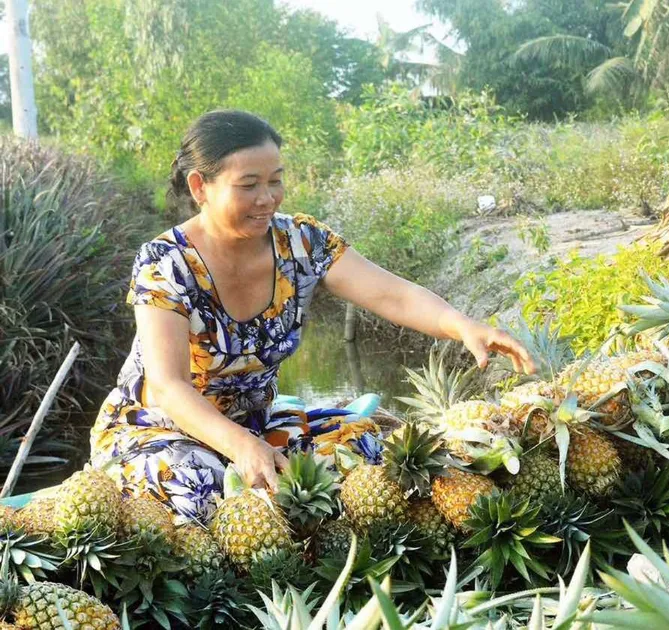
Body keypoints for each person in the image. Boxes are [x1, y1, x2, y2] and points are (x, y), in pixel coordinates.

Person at [89, 110, 535, 523]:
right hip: (161, 430)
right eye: (248, 185)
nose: (267, 198)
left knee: (370, 451)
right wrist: (242, 447)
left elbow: (391, 295)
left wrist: (463, 326)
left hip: (256, 424)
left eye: (276, 181)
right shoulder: (165, 262)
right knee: (201, 493)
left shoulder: (300, 241)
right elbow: (168, 388)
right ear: (199, 187)